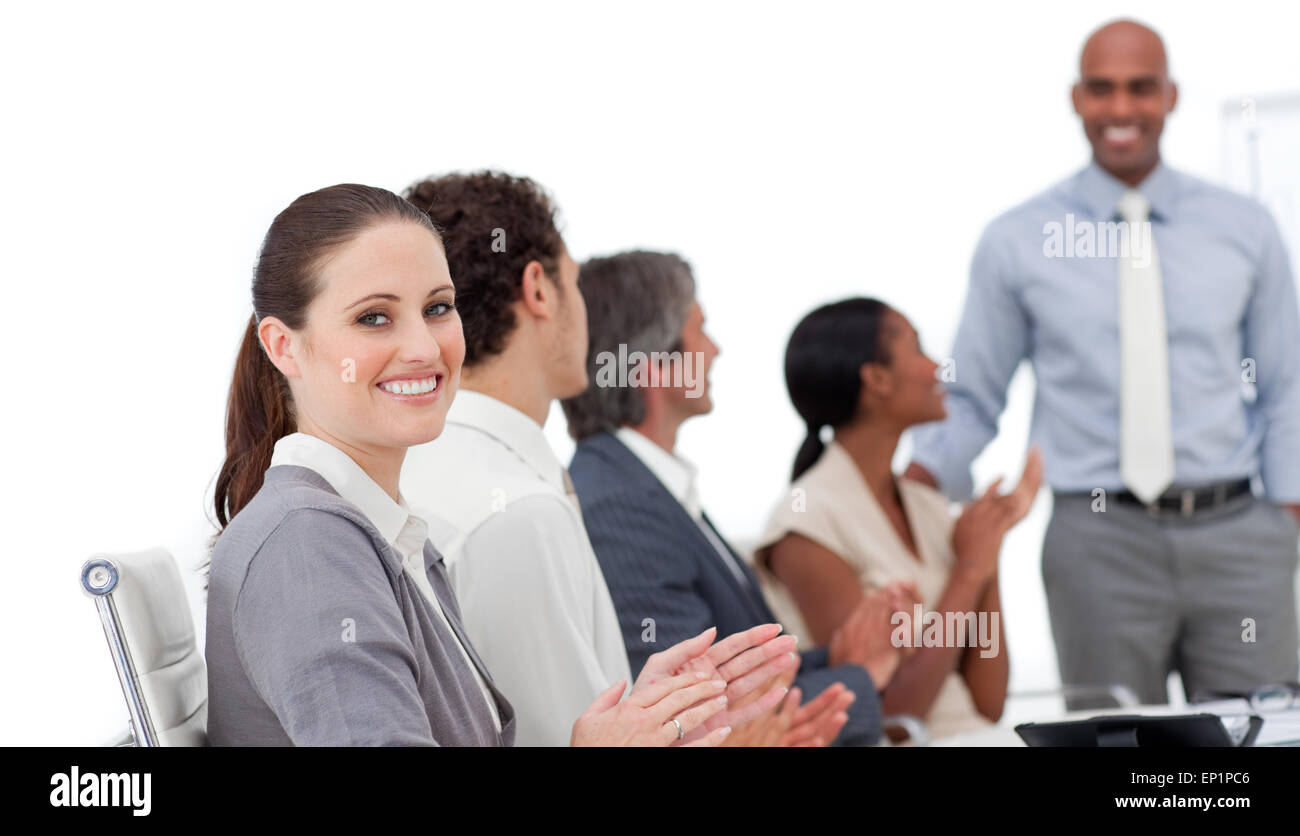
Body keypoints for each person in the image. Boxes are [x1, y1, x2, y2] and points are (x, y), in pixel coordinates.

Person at [204, 183, 779, 746]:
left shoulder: (392, 535)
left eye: (437, 308)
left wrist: (641, 724)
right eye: (374, 318)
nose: (425, 349)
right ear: (282, 346)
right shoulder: (308, 540)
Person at [905, 19, 1300, 707]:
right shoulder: (1017, 241)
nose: (1121, 109)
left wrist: (1285, 516)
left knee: (1258, 741)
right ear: (1076, 99)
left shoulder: (1244, 228)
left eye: (1140, 88)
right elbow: (970, 396)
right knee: (1111, 746)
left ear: (1171, 96)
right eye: (1101, 90)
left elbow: (1285, 383)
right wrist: (911, 489)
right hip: (1096, 541)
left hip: (1238, 536)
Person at [400, 173, 797, 746]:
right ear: (540, 289)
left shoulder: (438, 473)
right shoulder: (516, 511)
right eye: (576, 283)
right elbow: (562, 735)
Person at [561, 250, 909, 746]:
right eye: (700, 330)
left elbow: (733, 670)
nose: (716, 349)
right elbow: (699, 715)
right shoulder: (622, 507)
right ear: (653, 365)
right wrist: (860, 673)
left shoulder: (648, 486)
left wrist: (834, 658)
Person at [751, 298, 1041, 739]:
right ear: (877, 378)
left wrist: (988, 549)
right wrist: (969, 570)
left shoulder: (926, 506)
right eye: (918, 348)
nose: (938, 367)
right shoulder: (806, 521)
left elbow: (989, 702)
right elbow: (889, 718)